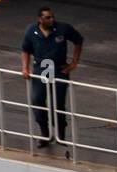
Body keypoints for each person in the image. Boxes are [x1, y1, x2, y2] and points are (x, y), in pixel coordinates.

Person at [20, 7, 83, 151]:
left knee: (58, 104)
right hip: (41, 68)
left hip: (59, 69)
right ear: (40, 19)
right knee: (38, 100)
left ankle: (61, 135)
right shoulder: (31, 31)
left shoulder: (63, 28)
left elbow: (78, 41)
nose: (51, 20)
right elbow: (25, 50)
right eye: (48, 18)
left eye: (52, 17)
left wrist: (74, 62)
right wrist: (25, 67)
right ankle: (45, 134)